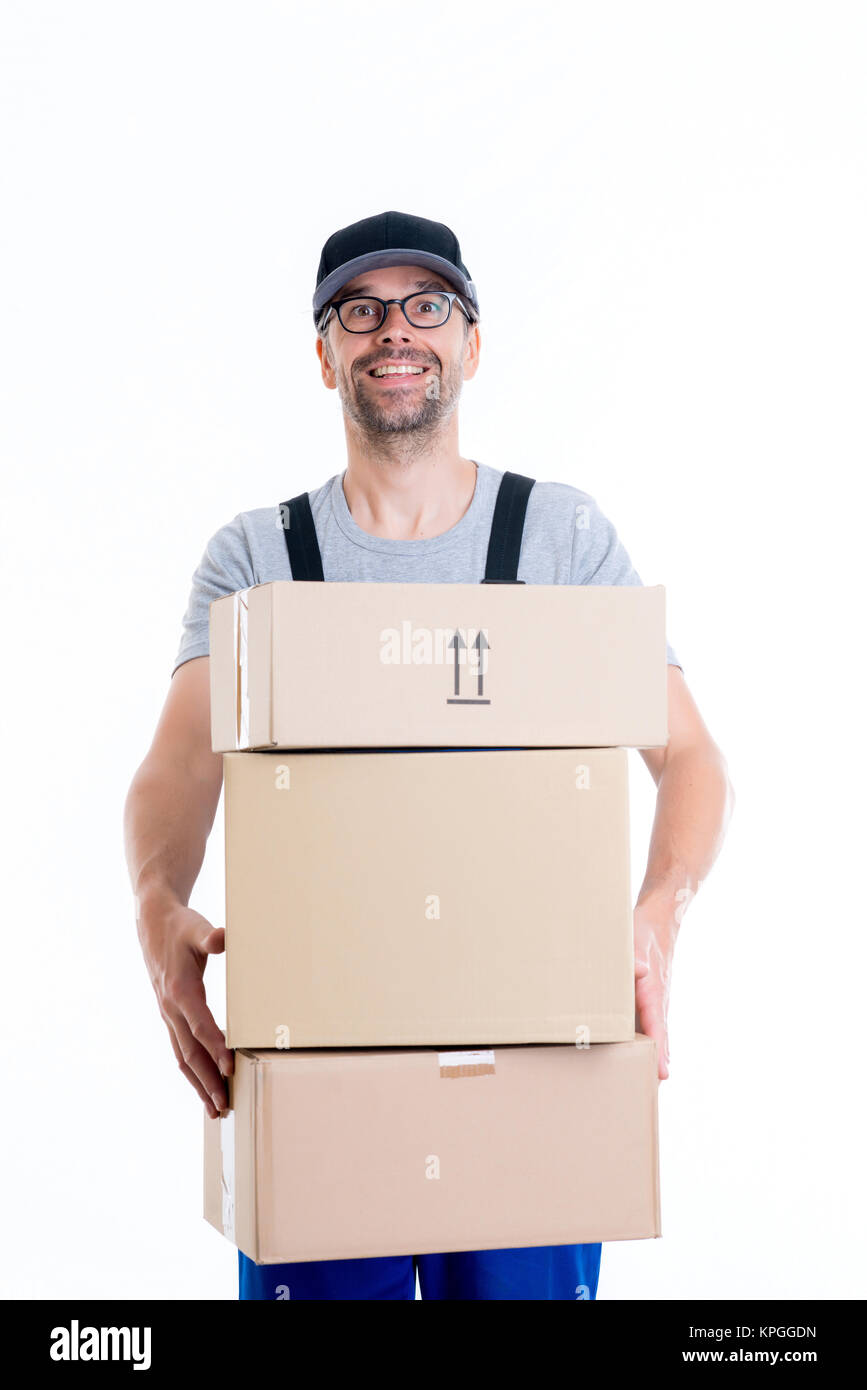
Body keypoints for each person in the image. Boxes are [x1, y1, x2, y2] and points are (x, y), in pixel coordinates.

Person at [123, 210, 735, 1301]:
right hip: (319, 1076)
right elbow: (176, 768)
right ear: (324, 354)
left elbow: (690, 756)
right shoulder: (259, 560)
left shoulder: (560, 539)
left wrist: (658, 913)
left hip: (534, 1068)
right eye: (360, 312)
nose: (393, 332)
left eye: (425, 307)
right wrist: (156, 901)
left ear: (471, 340)